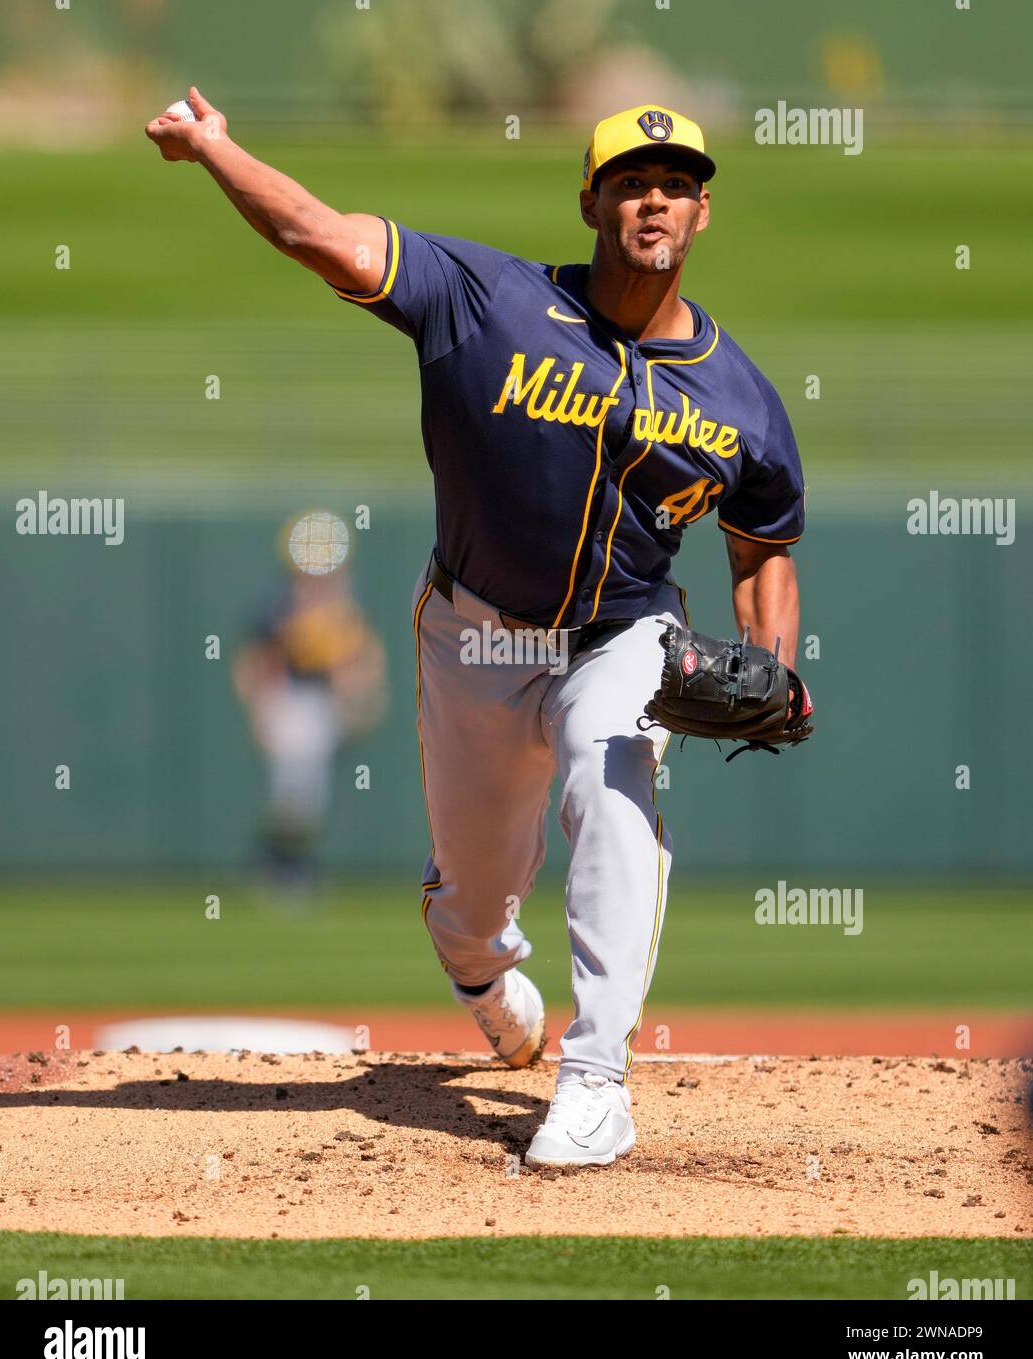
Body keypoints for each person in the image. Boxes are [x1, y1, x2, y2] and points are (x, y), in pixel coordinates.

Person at [147, 95, 807, 1168]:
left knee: (612, 771)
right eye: (632, 181)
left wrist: (774, 662)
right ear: (589, 200)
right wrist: (215, 147)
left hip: (624, 633)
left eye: (677, 183)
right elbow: (321, 233)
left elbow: (763, 539)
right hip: (475, 634)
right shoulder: (484, 297)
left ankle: (595, 1081)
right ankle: (483, 972)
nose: (654, 199)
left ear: (701, 212)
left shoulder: (742, 398)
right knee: (466, 898)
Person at [232, 538, 387, 887]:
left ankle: (282, 862)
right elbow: (256, 660)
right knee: (294, 788)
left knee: (312, 794)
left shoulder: (347, 602)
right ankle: (282, 864)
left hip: (325, 701)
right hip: (288, 697)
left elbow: (363, 656)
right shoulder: (279, 601)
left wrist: (365, 695)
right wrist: (259, 709)